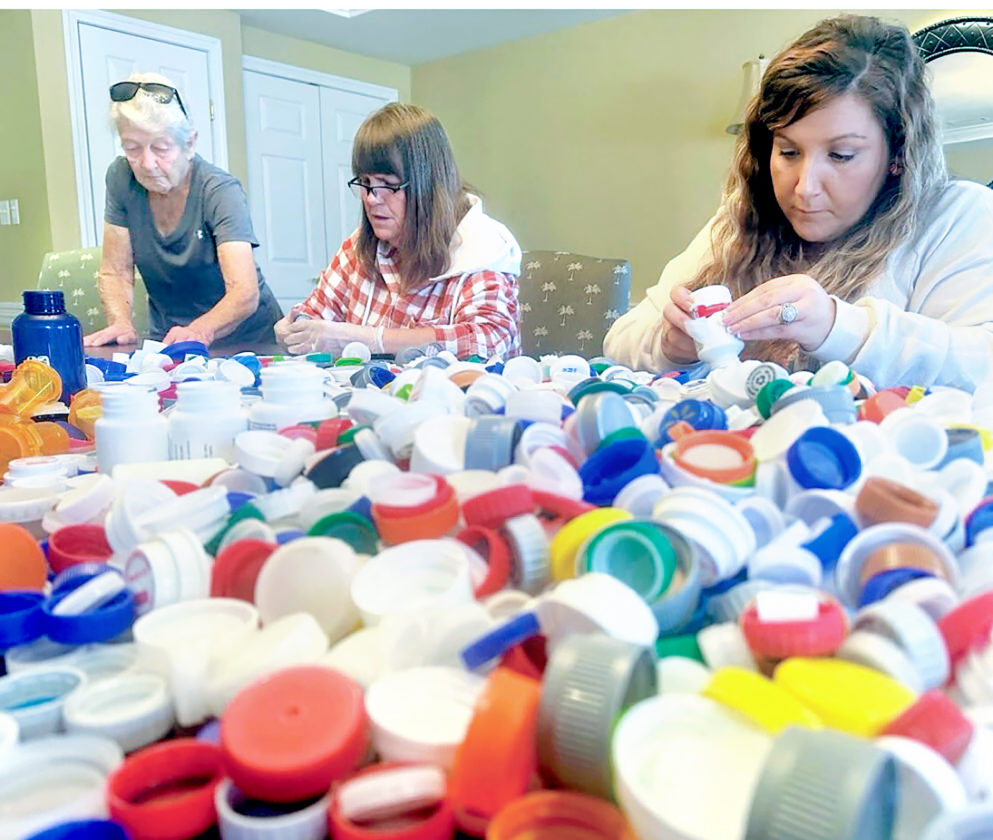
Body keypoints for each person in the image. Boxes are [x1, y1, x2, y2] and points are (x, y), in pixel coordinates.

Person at [604, 15, 993, 391]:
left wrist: (838, 328)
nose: (804, 188)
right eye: (788, 152)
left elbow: (982, 368)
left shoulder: (957, 215)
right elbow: (620, 340)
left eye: (841, 155)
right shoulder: (742, 221)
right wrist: (669, 347)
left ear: (897, 154)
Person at [275, 103, 522, 359]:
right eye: (365, 182)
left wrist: (373, 339)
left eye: (389, 185)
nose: (371, 199)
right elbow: (316, 313)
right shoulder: (359, 247)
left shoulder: (482, 248)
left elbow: (489, 340)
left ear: (429, 187)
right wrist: (296, 328)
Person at [84, 72, 282, 348]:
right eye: (132, 148)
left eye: (161, 148)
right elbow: (116, 270)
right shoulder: (121, 177)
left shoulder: (220, 190)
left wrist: (199, 330)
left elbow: (244, 292)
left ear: (189, 144)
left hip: (247, 340)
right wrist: (120, 322)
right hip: (170, 338)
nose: (147, 163)